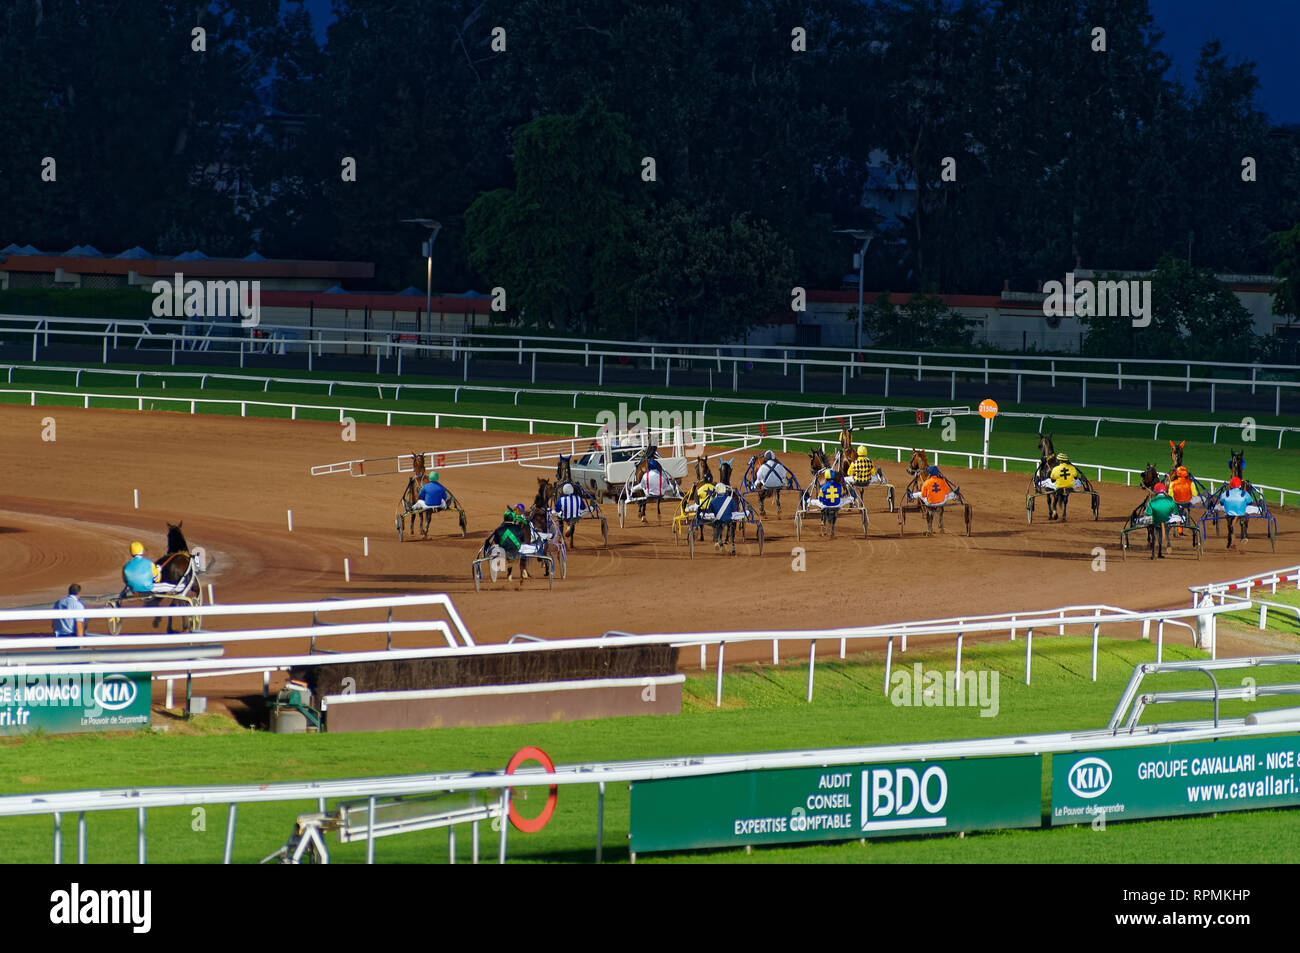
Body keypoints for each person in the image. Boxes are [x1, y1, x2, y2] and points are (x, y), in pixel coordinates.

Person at [1143, 483, 1178, 558]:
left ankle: (1153, 551)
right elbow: (1175, 513)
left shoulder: (1152, 501)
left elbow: (1148, 514)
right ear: (1164, 491)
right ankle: (1161, 549)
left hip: (1155, 521)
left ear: (1155, 492)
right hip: (1166, 521)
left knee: (1148, 523)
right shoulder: (1171, 500)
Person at [1168, 466, 1195, 534]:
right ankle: (1187, 520)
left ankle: (1178, 525)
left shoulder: (1173, 483)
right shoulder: (1190, 483)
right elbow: (1195, 493)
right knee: (1187, 508)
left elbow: (1170, 495)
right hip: (1187, 503)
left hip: (1177, 503)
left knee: (1176, 511)